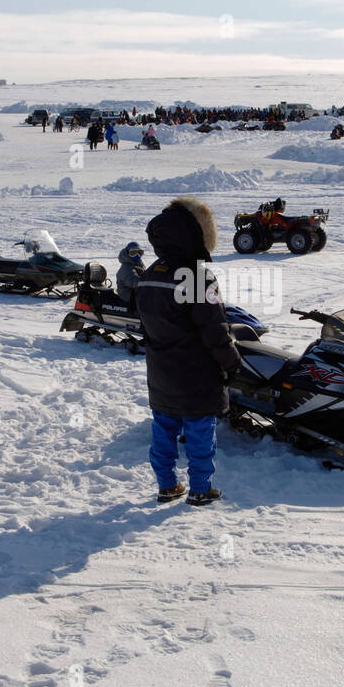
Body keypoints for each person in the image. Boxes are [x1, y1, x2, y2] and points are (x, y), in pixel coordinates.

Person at [135, 197, 240, 505]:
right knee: (199, 433)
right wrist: (232, 363)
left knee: (164, 429)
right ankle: (200, 488)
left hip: (160, 370)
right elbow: (214, 330)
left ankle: (167, 485)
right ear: (197, 235)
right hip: (197, 374)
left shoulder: (150, 273)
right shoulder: (196, 276)